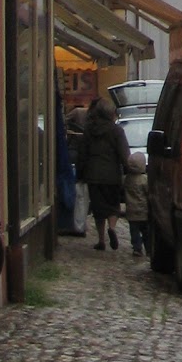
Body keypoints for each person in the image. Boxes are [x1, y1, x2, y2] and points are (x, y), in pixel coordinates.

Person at [75, 96, 129, 250]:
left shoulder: (89, 131)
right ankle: (112, 228)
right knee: (113, 205)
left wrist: (80, 173)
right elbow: (124, 153)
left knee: (98, 208)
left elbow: (82, 154)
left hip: (93, 175)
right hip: (112, 175)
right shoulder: (117, 131)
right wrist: (128, 169)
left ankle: (101, 240)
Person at [64, 107, 89, 236]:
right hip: (82, 166)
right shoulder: (88, 133)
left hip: (73, 159)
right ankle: (79, 224)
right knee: (82, 197)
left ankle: (73, 223)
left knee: (76, 195)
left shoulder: (73, 134)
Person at [123, 150, 151, 258]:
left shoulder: (127, 179)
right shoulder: (144, 180)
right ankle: (148, 249)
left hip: (131, 210)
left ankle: (137, 248)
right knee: (146, 231)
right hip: (143, 210)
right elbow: (148, 192)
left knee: (134, 231)